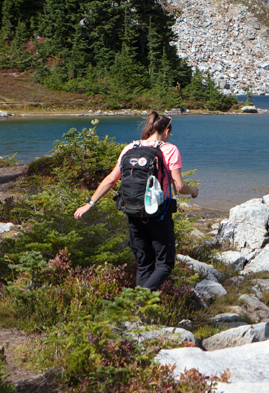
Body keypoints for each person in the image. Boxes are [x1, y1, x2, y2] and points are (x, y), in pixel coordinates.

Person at [73, 111, 198, 290]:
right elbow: (179, 186)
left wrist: (89, 204)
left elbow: (110, 180)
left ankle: (139, 312)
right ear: (167, 131)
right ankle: (140, 304)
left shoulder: (130, 148)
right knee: (164, 264)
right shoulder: (169, 149)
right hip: (159, 216)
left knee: (144, 264)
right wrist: (193, 191)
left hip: (132, 212)